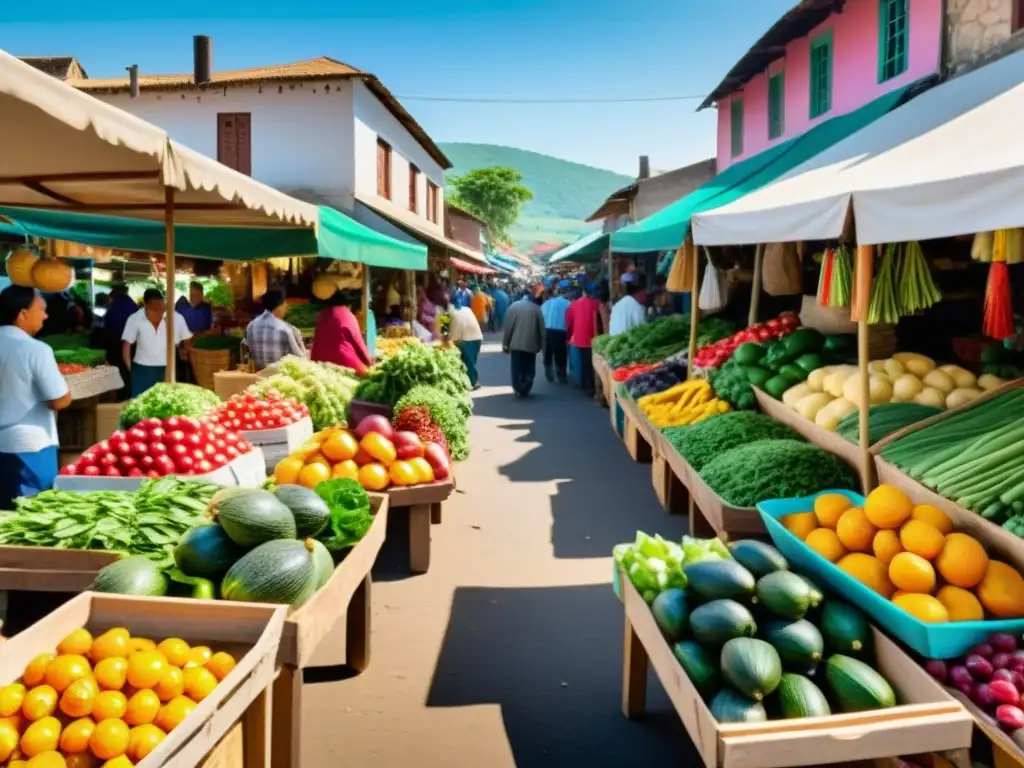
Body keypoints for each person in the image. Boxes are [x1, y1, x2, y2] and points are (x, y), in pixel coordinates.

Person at [0, 286, 72, 509]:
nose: (46, 316)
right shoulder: (35, 349)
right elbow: (58, 400)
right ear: (22, 314)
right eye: (42, 310)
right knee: (30, 515)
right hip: (29, 446)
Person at [122, 289, 193, 397]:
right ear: (145, 305)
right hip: (142, 368)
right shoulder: (135, 318)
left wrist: (183, 351)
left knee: (166, 401)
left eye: (159, 304)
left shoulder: (176, 317)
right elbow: (127, 345)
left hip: (168, 367)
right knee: (141, 403)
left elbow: (186, 338)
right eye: (153, 306)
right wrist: (131, 369)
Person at [311, 292, 374, 375]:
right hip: (342, 361)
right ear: (348, 305)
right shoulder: (347, 314)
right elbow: (358, 341)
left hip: (318, 360)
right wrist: (369, 361)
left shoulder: (322, 314)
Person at [245, 288, 307, 370]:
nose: (286, 307)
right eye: (285, 304)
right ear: (280, 306)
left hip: (258, 376)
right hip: (278, 378)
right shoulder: (285, 329)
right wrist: (299, 340)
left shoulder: (251, 326)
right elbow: (301, 359)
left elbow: (248, 351)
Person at [502, 291, 545, 397]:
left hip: (515, 345)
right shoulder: (536, 309)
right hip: (532, 344)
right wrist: (543, 347)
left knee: (516, 367)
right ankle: (526, 386)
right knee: (529, 366)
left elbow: (508, 329)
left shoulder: (513, 307)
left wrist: (505, 344)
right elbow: (542, 331)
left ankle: (518, 388)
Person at [565, 282, 603, 396]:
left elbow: (568, 322)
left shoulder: (573, 304)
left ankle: (583, 384)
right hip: (593, 338)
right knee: (590, 363)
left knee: (581, 362)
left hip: (578, 339)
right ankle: (590, 385)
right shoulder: (597, 303)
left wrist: (569, 336)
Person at [103, 284, 139, 400]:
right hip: (135, 346)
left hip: (118, 346)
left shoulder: (113, 309)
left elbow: (108, 328)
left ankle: (124, 397)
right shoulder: (133, 306)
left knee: (122, 374)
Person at [442, 296, 484, 389]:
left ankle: (472, 382)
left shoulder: (446, 313)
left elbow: (443, 330)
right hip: (477, 337)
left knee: (467, 362)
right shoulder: (467, 309)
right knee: (471, 362)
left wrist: (444, 340)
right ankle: (470, 381)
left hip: (464, 340)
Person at [541, 286, 571, 384]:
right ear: (567, 293)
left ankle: (548, 375)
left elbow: (542, 316)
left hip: (547, 330)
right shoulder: (568, 304)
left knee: (548, 353)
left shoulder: (547, 303)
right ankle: (561, 376)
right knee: (561, 354)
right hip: (560, 331)